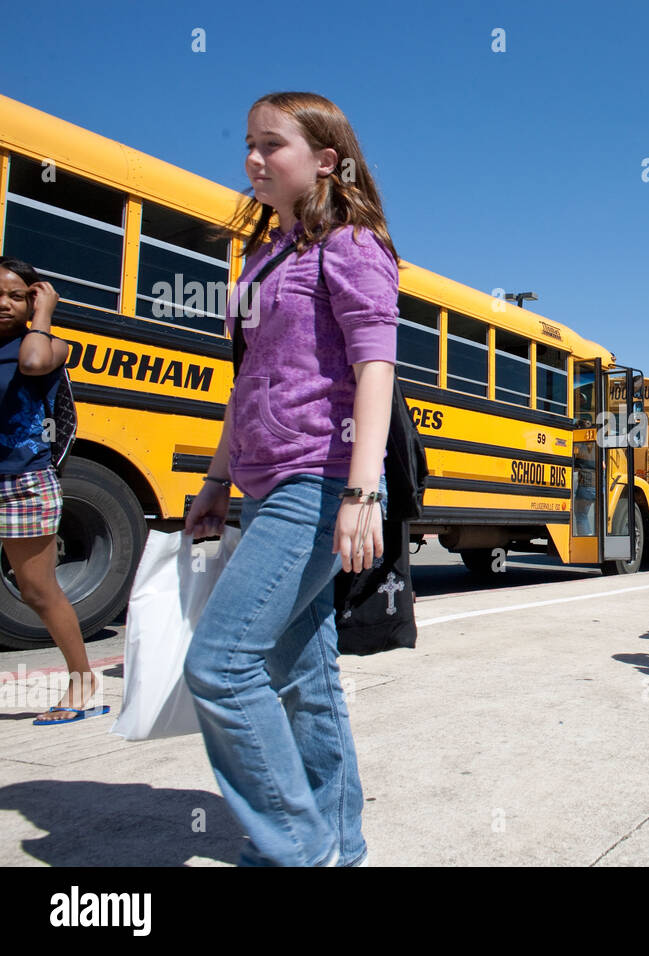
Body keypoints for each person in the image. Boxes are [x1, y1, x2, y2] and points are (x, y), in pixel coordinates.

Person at [183, 92, 398, 867]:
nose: (252, 159)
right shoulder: (263, 256)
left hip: (317, 476)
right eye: (247, 143)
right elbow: (249, 381)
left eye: (271, 145)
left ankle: (295, 851)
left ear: (325, 161)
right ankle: (335, 844)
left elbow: (376, 362)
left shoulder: (350, 244)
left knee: (222, 664)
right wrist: (215, 478)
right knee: (302, 673)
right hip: (261, 480)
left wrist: (360, 491)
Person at [0, 260, 105, 725]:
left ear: (33, 302)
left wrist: (44, 316)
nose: (5, 303)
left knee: (38, 591)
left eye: (17, 296)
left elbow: (33, 363)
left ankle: (81, 680)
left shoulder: (48, 345)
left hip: (22, 483)